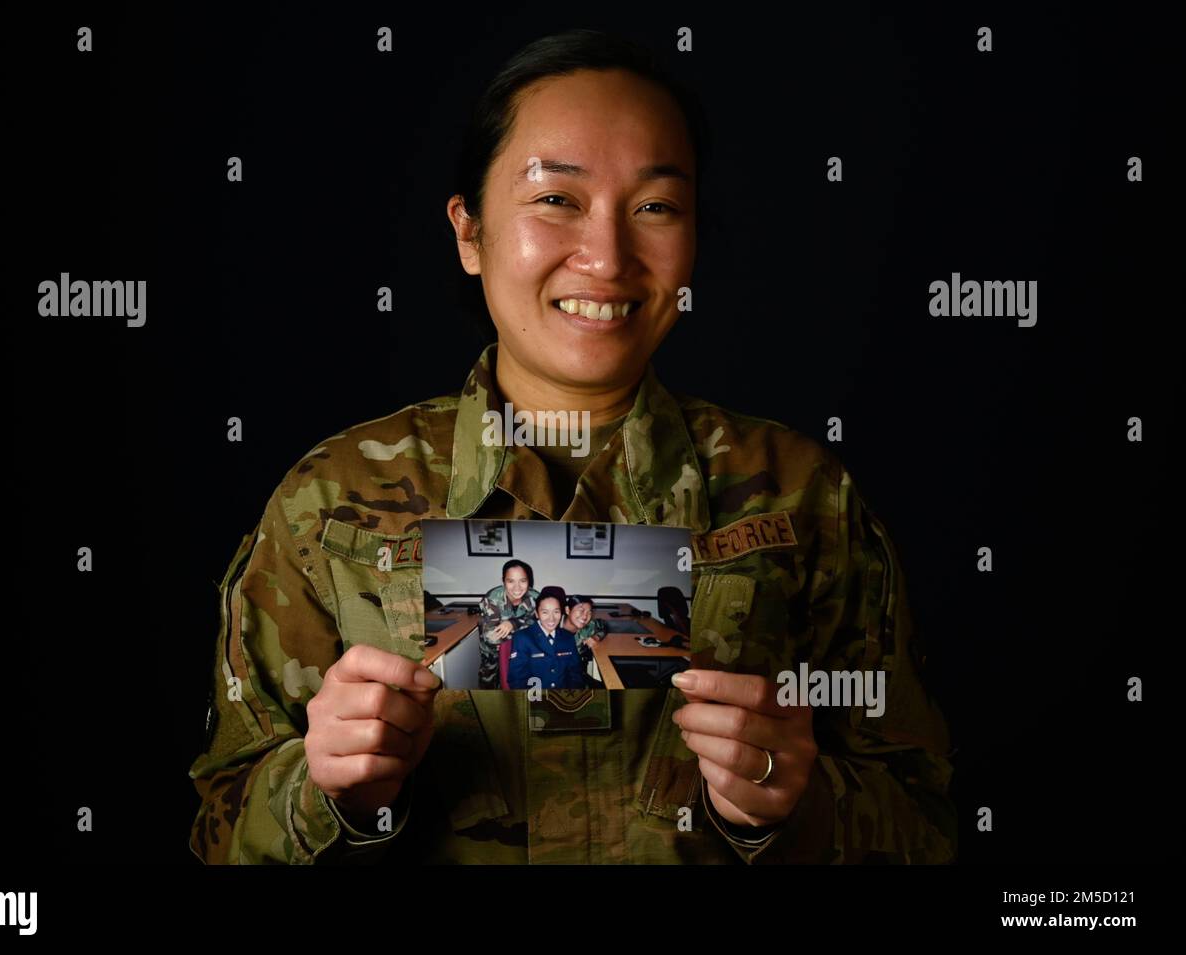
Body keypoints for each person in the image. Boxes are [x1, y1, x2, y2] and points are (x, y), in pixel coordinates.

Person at [188, 29, 956, 864]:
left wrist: (786, 811)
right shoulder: (326, 503)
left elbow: (923, 826)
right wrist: (327, 793)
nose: (608, 256)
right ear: (469, 233)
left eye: (656, 207)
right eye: (557, 200)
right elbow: (217, 831)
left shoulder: (804, 498)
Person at [508, 586, 585, 692]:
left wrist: (571, 698)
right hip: (535, 699)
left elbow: (575, 674)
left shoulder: (568, 637)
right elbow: (517, 680)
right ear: (537, 614)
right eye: (545, 612)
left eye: (556, 612)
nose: (551, 618)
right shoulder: (522, 638)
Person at [477, 558, 537, 688]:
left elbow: (541, 625)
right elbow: (492, 637)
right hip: (493, 653)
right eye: (511, 581)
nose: (517, 587)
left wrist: (513, 624)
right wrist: (526, 630)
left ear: (529, 581)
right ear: (503, 581)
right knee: (489, 686)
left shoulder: (535, 597)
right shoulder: (492, 599)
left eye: (523, 581)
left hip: (523, 652)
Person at [562, 595, 606, 686]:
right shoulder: (552, 626)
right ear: (567, 610)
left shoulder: (587, 626)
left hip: (576, 675)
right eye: (581, 611)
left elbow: (603, 627)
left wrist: (595, 637)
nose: (585, 616)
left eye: (589, 612)